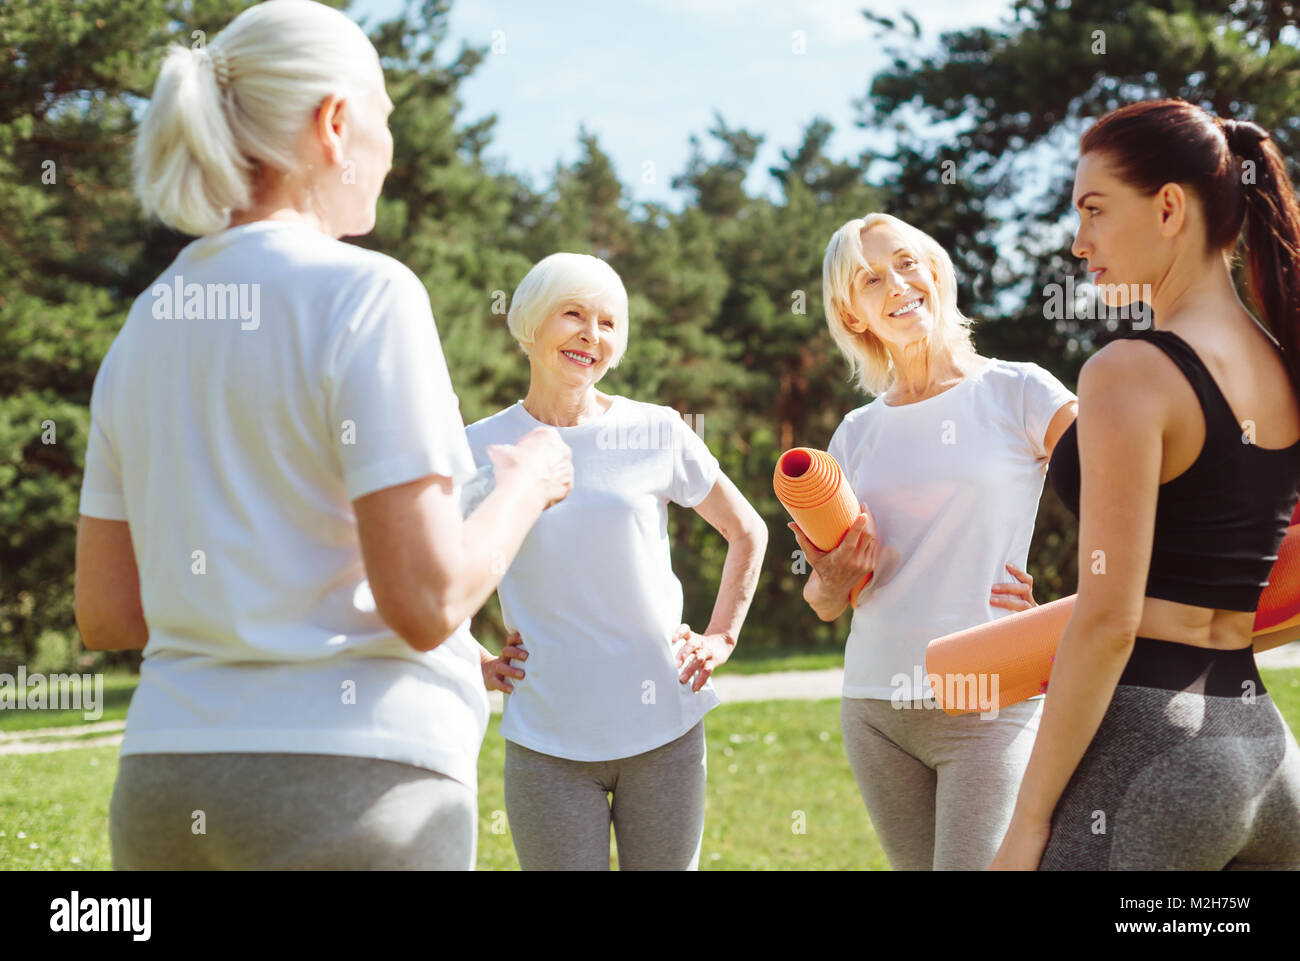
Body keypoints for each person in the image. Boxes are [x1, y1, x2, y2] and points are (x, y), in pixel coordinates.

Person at [75, 0, 572, 871]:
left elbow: (107, 611)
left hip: (163, 784)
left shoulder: (144, 326)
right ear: (335, 124)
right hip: (354, 784)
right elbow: (425, 602)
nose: (392, 150)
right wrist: (529, 478)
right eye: (384, 121)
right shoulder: (368, 295)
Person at [994, 99, 1300, 870]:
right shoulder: (1282, 363)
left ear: (1169, 207)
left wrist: (1027, 824)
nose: (1078, 239)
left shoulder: (1129, 372)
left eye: (1095, 210)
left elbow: (1109, 622)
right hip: (1263, 753)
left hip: (1153, 763)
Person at [792, 212, 1078, 870]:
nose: (897, 283)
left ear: (936, 271)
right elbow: (827, 599)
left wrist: (1077, 608)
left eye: (907, 262)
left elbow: (1129, 482)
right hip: (874, 707)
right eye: (870, 279)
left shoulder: (1019, 391)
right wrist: (833, 579)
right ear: (852, 312)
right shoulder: (854, 436)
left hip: (990, 700)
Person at [465, 252, 768, 870]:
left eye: (608, 322)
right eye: (572, 314)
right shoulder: (477, 446)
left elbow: (747, 531)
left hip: (665, 729)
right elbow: (415, 565)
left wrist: (721, 637)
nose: (591, 335)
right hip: (546, 736)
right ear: (529, 323)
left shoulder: (655, 431)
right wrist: (474, 659)